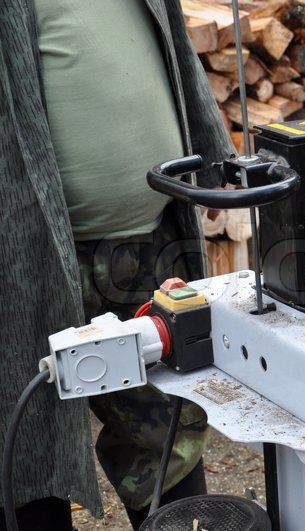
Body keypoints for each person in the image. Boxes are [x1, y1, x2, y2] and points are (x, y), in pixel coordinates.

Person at [0, 0, 234, 528]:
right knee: (25, 443)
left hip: (143, 247)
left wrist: (218, 158)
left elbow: (175, 53)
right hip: (26, 261)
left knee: (164, 426)